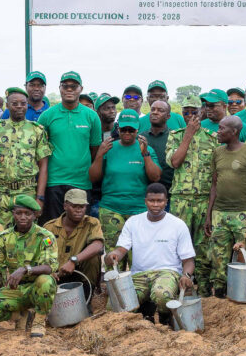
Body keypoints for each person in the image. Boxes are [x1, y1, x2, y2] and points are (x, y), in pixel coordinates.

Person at [105, 183, 197, 322]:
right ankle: (146, 310)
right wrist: (112, 256)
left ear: (166, 202)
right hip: (139, 275)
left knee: (162, 294)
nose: (155, 204)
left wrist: (186, 275)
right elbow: (121, 250)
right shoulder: (133, 222)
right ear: (145, 202)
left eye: (159, 201)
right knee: (116, 305)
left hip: (168, 272)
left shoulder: (177, 225)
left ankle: (166, 319)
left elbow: (188, 261)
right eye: (151, 201)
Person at [0, 195, 59, 337]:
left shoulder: (45, 237)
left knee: (46, 280)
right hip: (15, 289)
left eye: (27, 214)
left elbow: (49, 267)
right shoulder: (3, 238)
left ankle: (39, 320)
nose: (23, 217)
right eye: (19, 213)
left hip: (37, 288)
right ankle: (19, 315)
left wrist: (25, 270)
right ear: (13, 214)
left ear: (34, 215)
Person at [167, 92, 223, 290]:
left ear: (202, 113)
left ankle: (204, 291)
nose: (190, 115)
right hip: (180, 199)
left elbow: (217, 174)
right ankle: (174, 287)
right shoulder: (175, 136)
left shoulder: (213, 139)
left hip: (203, 199)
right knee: (176, 246)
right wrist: (188, 134)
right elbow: (175, 162)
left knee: (203, 247)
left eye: (194, 111)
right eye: (186, 112)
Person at [204, 115, 246, 296]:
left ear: (234, 132)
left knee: (245, 256)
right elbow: (214, 184)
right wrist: (209, 214)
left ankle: (244, 295)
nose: (218, 132)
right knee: (218, 257)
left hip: (243, 213)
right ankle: (220, 294)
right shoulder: (217, 152)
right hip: (220, 213)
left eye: (221, 129)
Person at [35, 71, 101, 221]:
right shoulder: (47, 116)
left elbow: (94, 149)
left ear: (81, 89)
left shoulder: (91, 116)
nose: (69, 89)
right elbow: (40, 151)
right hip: (54, 182)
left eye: (74, 86)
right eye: (65, 86)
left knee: (80, 230)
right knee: (52, 228)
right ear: (60, 88)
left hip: (81, 182)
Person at [92, 109, 161, 250]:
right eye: (123, 129)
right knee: (114, 255)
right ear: (118, 128)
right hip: (111, 208)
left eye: (131, 130)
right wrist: (99, 155)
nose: (127, 133)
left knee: (139, 255)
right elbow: (93, 177)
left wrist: (145, 154)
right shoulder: (109, 148)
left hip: (138, 210)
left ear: (138, 129)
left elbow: (155, 177)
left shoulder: (147, 149)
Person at [0, 87, 51, 226]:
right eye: (15, 103)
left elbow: (43, 166)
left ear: (27, 105)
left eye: (23, 103)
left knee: (27, 237)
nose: (19, 107)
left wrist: (40, 197)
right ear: (7, 105)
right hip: (0, 193)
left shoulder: (37, 130)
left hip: (27, 193)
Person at [44, 187, 105, 296]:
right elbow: (43, 251)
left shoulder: (92, 223)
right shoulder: (49, 227)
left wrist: (74, 260)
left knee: (93, 258)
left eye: (82, 207)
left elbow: (98, 244)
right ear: (65, 206)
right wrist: (49, 271)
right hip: (56, 273)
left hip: (79, 272)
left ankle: (88, 297)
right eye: (74, 206)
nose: (78, 210)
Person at [140, 99, 176, 188]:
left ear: (168, 116)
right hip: (145, 191)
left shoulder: (175, 137)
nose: (155, 112)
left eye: (160, 110)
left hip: (169, 191)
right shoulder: (141, 137)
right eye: (153, 109)